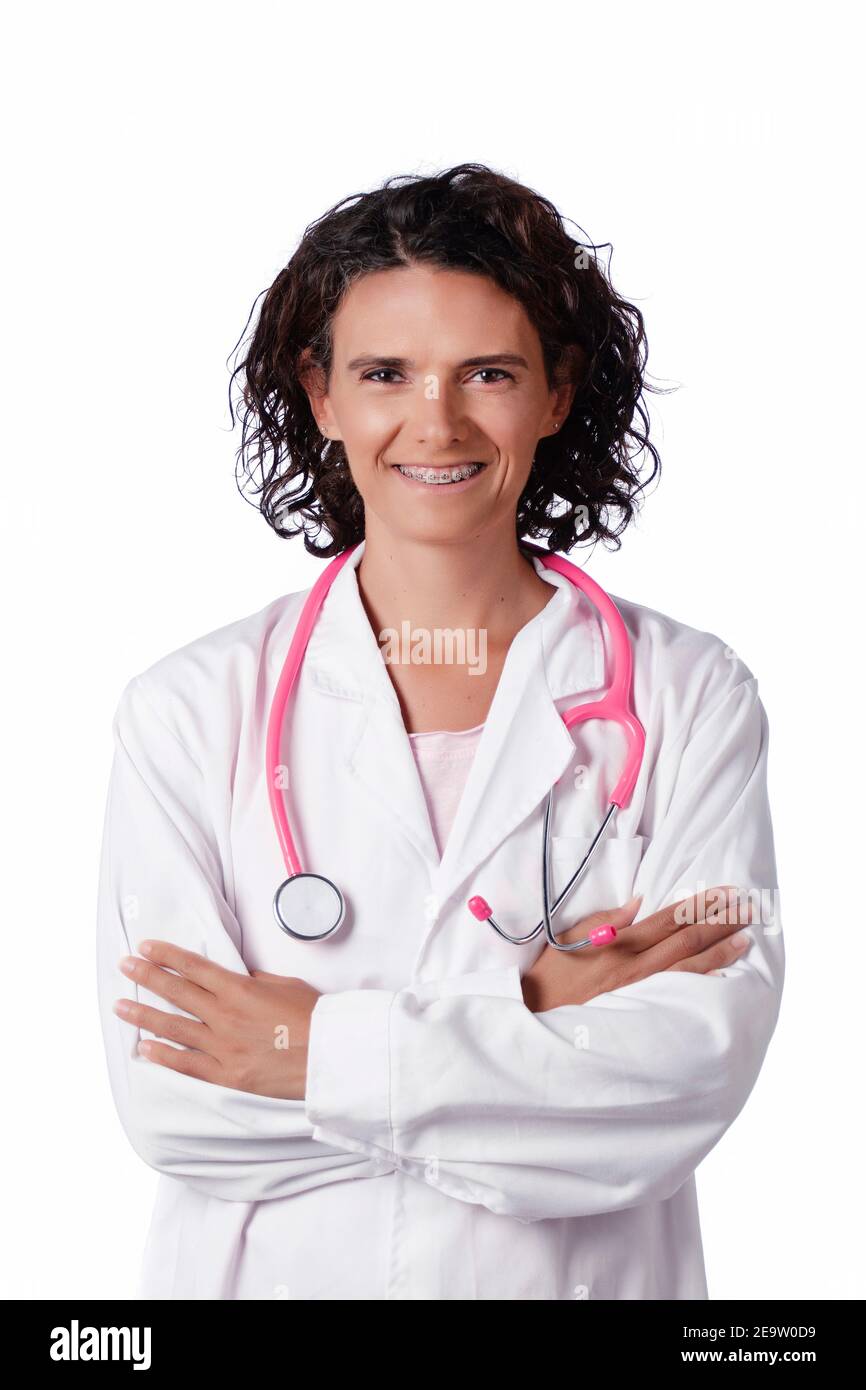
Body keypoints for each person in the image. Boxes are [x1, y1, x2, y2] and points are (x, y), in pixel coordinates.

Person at [96, 162, 784, 1300]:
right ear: (320, 396)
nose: (436, 421)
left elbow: (681, 1080)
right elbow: (177, 1103)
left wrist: (307, 1050)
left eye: (489, 372)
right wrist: (525, 1017)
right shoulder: (185, 709)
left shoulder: (689, 695)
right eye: (384, 373)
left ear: (556, 393)